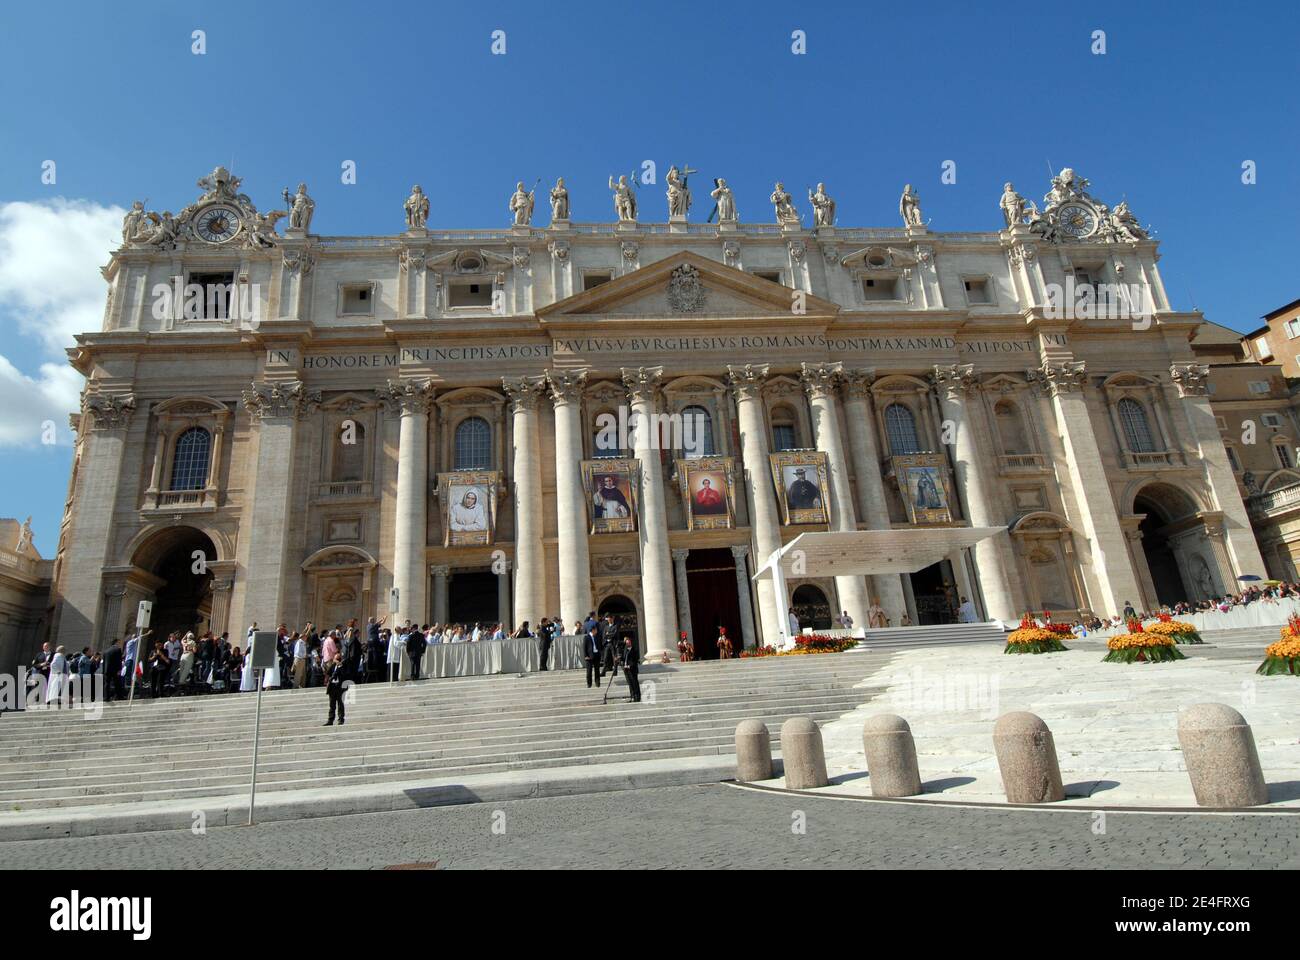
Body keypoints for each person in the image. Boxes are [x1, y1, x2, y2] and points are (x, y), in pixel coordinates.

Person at [324, 653, 346, 726]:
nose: (336, 661)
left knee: (340, 704)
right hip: (332, 687)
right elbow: (328, 673)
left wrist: (340, 666)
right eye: (336, 659)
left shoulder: (343, 666)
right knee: (332, 705)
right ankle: (330, 720)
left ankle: (341, 720)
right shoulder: (333, 666)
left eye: (338, 659)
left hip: (339, 687)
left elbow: (345, 675)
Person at [622, 634, 641, 702]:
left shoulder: (634, 649)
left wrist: (630, 666)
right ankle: (632, 696)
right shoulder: (625, 650)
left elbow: (635, 660)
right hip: (626, 670)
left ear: (630, 642)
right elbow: (624, 658)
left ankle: (637, 697)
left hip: (632, 669)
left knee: (635, 683)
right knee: (630, 683)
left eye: (629, 642)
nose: (628, 643)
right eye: (626, 643)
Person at [583, 624, 603, 688]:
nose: (597, 631)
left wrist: (600, 652)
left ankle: (597, 683)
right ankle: (589, 684)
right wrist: (585, 655)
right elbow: (584, 647)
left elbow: (600, 645)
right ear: (593, 630)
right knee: (589, 671)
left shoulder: (597, 637)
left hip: (596, 655)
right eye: (596, 630)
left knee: (597, 670)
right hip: (589, 656)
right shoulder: (587, 637)